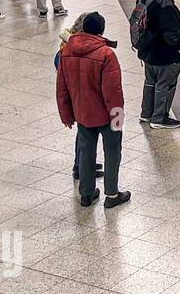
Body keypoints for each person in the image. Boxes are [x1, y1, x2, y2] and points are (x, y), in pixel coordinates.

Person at [56, 12, 130, 208]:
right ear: (101, 31)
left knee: (86, 151)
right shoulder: (106, 54)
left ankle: (86, 194)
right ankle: (112, 195)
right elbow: (113, 91)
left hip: (82, 113)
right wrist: (118, 116)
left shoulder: (66, 51)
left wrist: (66, 115)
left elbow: (62, 88)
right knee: (112, 151)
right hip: (106, 115)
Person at [135, 0, 180, 129]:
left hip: (148, 53)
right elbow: (170, 32)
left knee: (150, 82)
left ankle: (146, 114)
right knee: (165, 85)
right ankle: (159, 118)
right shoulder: (165, 4)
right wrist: (179, 48)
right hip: (166, 56)